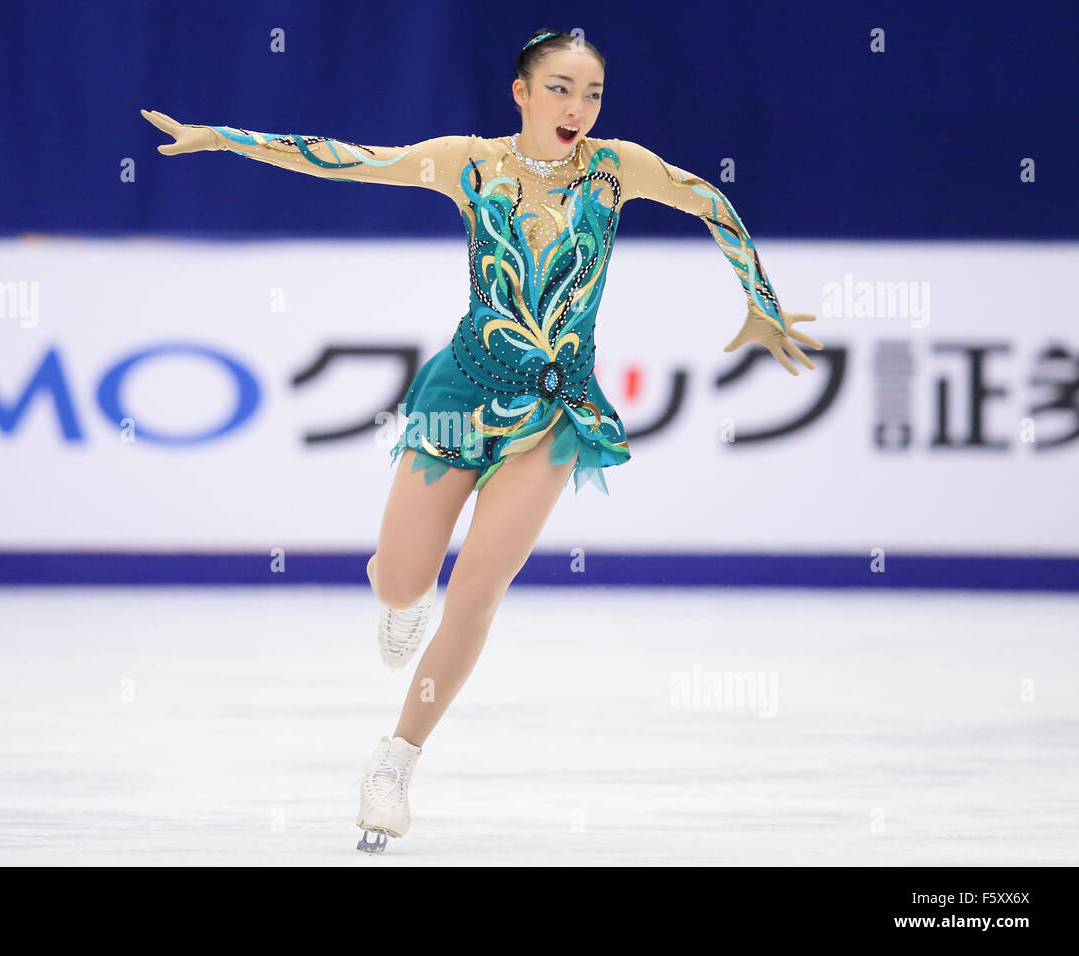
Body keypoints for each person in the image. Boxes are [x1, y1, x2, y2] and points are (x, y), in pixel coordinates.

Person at [142, 27, 822, 854]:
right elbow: (346, 158)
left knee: (478, 593)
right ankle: (399, 593)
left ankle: (395, 760)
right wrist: (223, 138)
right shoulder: (468, 163)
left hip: (556, 409)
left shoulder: (617, 169)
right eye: (563, 88)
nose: (580, 107)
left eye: (594, 92)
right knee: (402, 581)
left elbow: (713, 202)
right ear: (522, 93)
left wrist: (760, 300)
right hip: (461, 394)